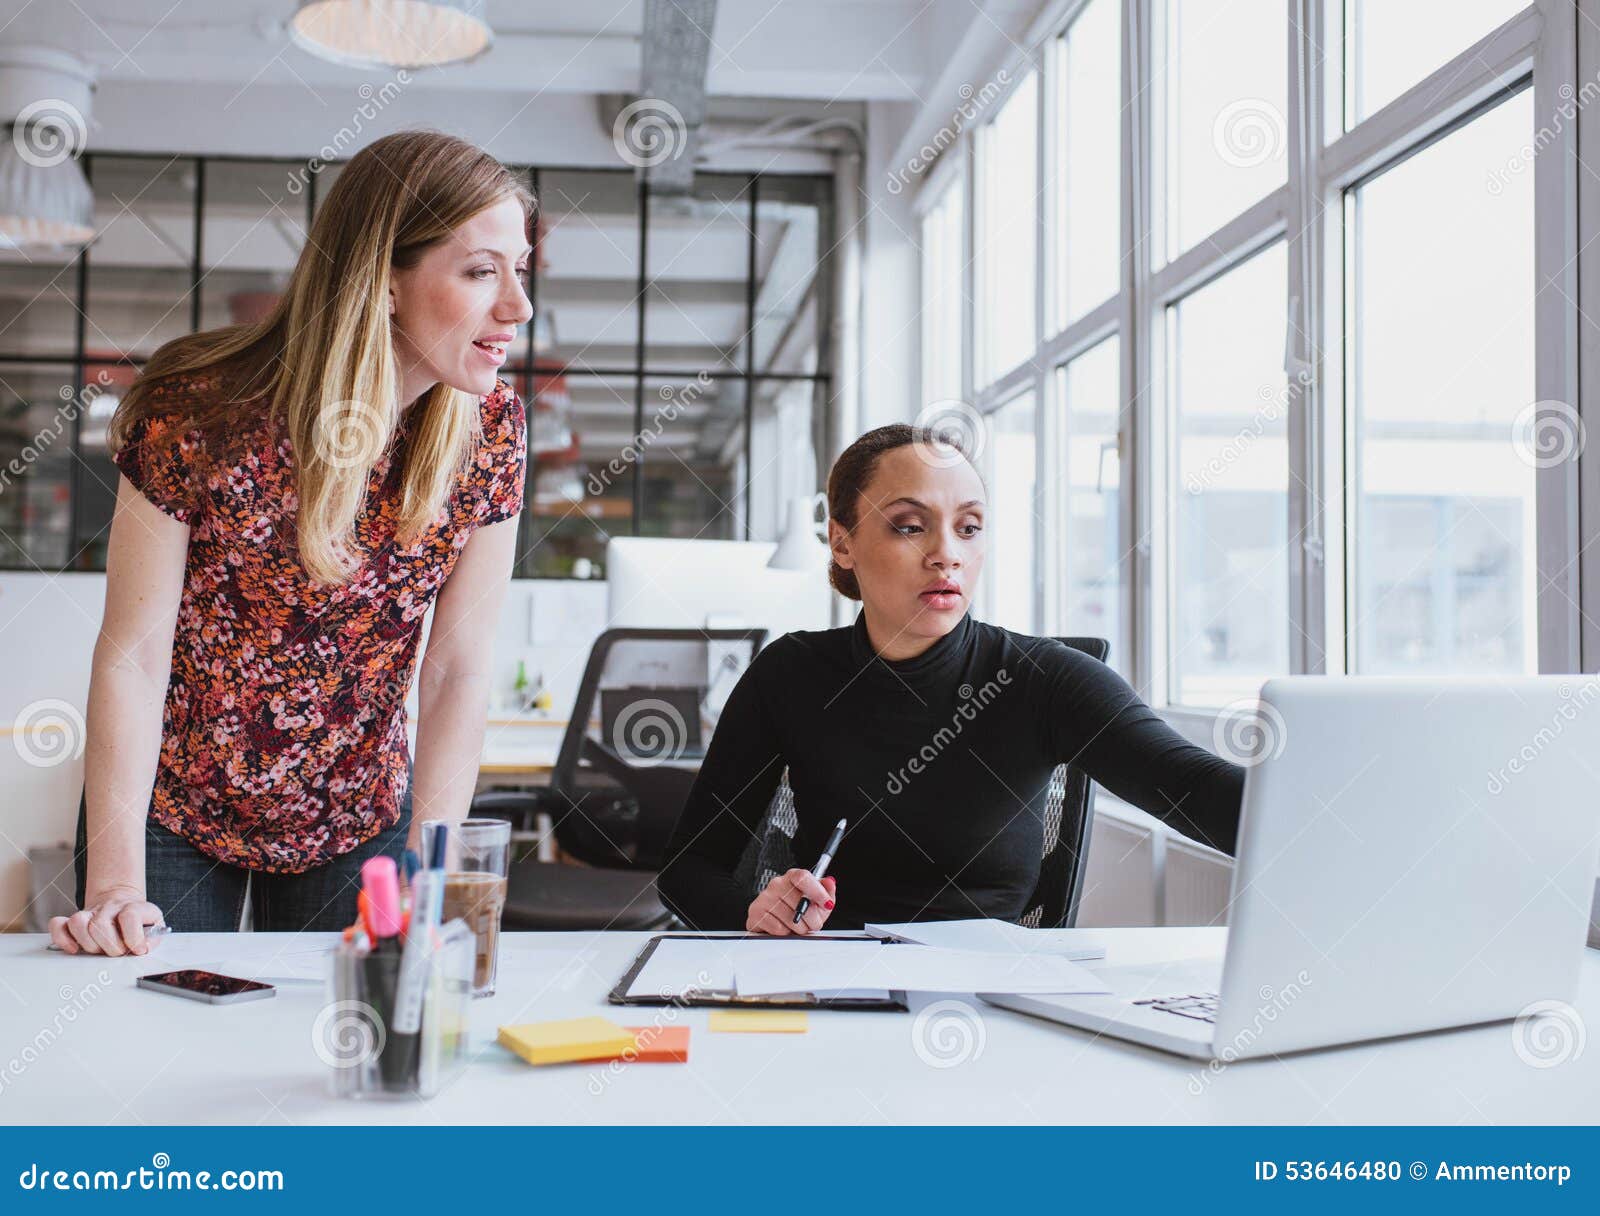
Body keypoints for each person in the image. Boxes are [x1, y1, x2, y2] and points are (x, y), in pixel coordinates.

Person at [51, 130, 532, 955]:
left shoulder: (490, 433)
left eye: (522, 269)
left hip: (359, 817)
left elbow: (457, 666)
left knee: (348, 1053)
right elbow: (134, 652)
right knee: (147, 1034)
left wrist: (432, 866)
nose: (518, 306)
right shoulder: (195, 410)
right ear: (383, 280)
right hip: (171, 811)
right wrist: (116, 885)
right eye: (482, 271)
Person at [656, 424, 1246, 934]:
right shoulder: (789, 674)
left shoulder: (1047, 680)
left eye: (968, 528)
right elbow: (689, 869)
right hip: (827, 980)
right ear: (842, 542)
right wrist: (756, 913)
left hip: (991, 1002)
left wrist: (1323, 812)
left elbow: (1198, 790)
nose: (947, 554)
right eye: (910, 527)